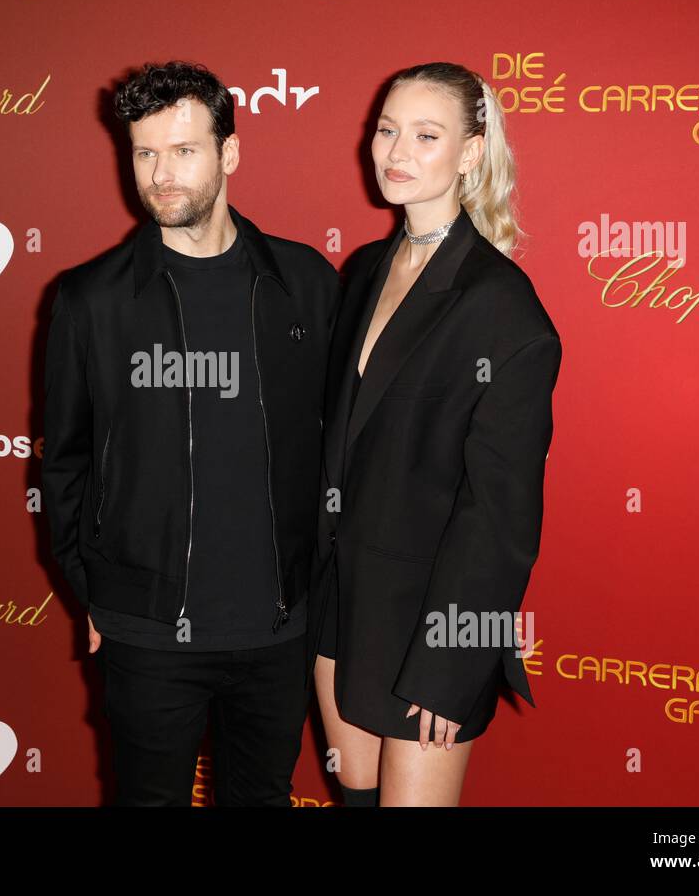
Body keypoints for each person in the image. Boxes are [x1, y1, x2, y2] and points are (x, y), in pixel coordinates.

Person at [41, 60, 340, 806]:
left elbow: (339, 448)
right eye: (144, 153)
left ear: (229, 154)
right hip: (146, 633)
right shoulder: (90, 302)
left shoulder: (304, 283)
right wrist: (98, 594)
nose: (160, 174)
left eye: (183, 151)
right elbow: (63, 465)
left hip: (277, 630)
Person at [308, 62, 562, 807]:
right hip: (339, 606)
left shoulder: (502, 308)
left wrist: (454, 664)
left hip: (433, 622)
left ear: (472, 153)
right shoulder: (361, 272)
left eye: (426, 135)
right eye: (387, 130)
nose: (396, 151)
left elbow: (501, 516)